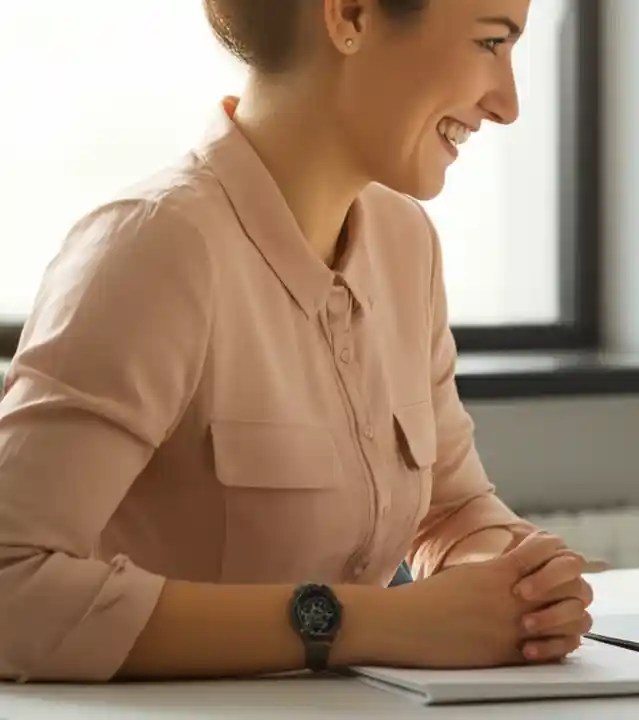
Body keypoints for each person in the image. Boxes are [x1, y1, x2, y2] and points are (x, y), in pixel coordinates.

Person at [0, 0, 595, 682]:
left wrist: (517, 589)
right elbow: (10, 587)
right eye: (491, 42)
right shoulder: (151, 248)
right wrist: (375, 623)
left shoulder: (405, 246)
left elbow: (452, 510)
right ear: (350, 15)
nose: (508, 104)